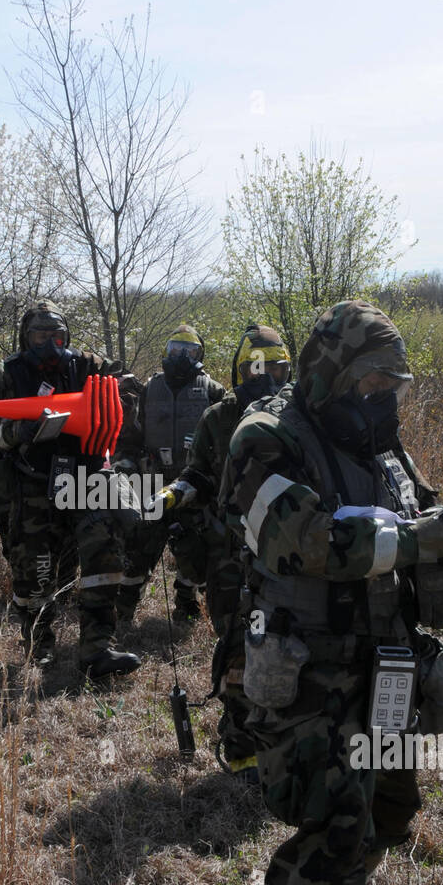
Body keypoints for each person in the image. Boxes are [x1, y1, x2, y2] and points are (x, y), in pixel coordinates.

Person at [222, 299, 443, 885]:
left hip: (388, 664)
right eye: (370, 380)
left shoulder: (381, 441)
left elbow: (414, 515)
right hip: (309, 673)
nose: (384, 396)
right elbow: (300, 538)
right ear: (327, 373)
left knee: (386, 810)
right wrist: (421, 539)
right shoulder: (263, 439)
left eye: (393, 383)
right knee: (332, 833)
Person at [151, 325, 293, 778]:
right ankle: (242, 747)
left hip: (287, 555)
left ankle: (290, 742)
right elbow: (200, 475)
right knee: (237, 646)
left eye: (278, 368)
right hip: (230, 555)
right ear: (239, 370)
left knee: (291, 644)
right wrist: (174, 494)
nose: (268, 378)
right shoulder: (218, 417)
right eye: (258, 368)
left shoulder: (301, 417)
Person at [0, 301, 141, 678]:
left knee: (103, 555)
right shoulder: (7, 374)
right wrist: (17, 431)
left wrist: (120, 394)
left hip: (85, 476)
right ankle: (40, 645)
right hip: (32, 483)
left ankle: (98, 648)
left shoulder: (87, 364)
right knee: (34, 571)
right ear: (25, 337)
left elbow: (127, 389)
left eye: (58, 336)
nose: (50, 345)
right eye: (40, 337)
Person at [116, 326, 224, 623]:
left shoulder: (213, 391)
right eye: (176, 349)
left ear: (199, 355)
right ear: (166, 351)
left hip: (193, 487)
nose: (181, 356)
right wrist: (124, 465)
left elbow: (224, 441)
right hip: (152, 482)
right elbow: (132, 436)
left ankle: (187, 606)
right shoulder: (150, 388)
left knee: (194, 551)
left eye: (189, 351)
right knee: (138, 549)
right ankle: (123, 610)